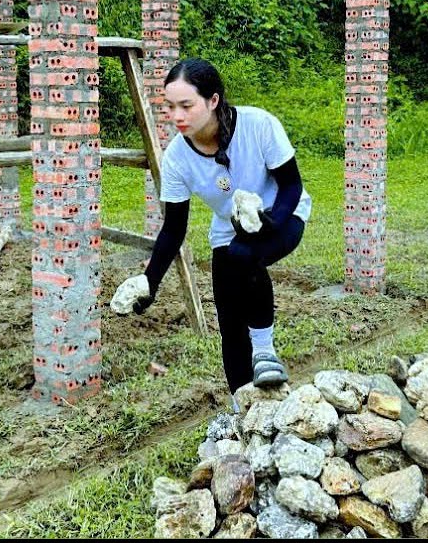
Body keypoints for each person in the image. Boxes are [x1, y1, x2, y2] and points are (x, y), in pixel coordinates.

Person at [110, 57, 312, 407]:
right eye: (170, 107)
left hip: (283, 214)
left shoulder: (259, 125)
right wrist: (150, 283)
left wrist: (269, 221)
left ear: (213, 100)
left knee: (244, 255)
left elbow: (292, 185)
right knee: (228, 315)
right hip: (228, 229)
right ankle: (241, 407)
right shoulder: (176, 157)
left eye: (186, 106)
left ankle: (264, 353)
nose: (177, 116)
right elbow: (174, 228)